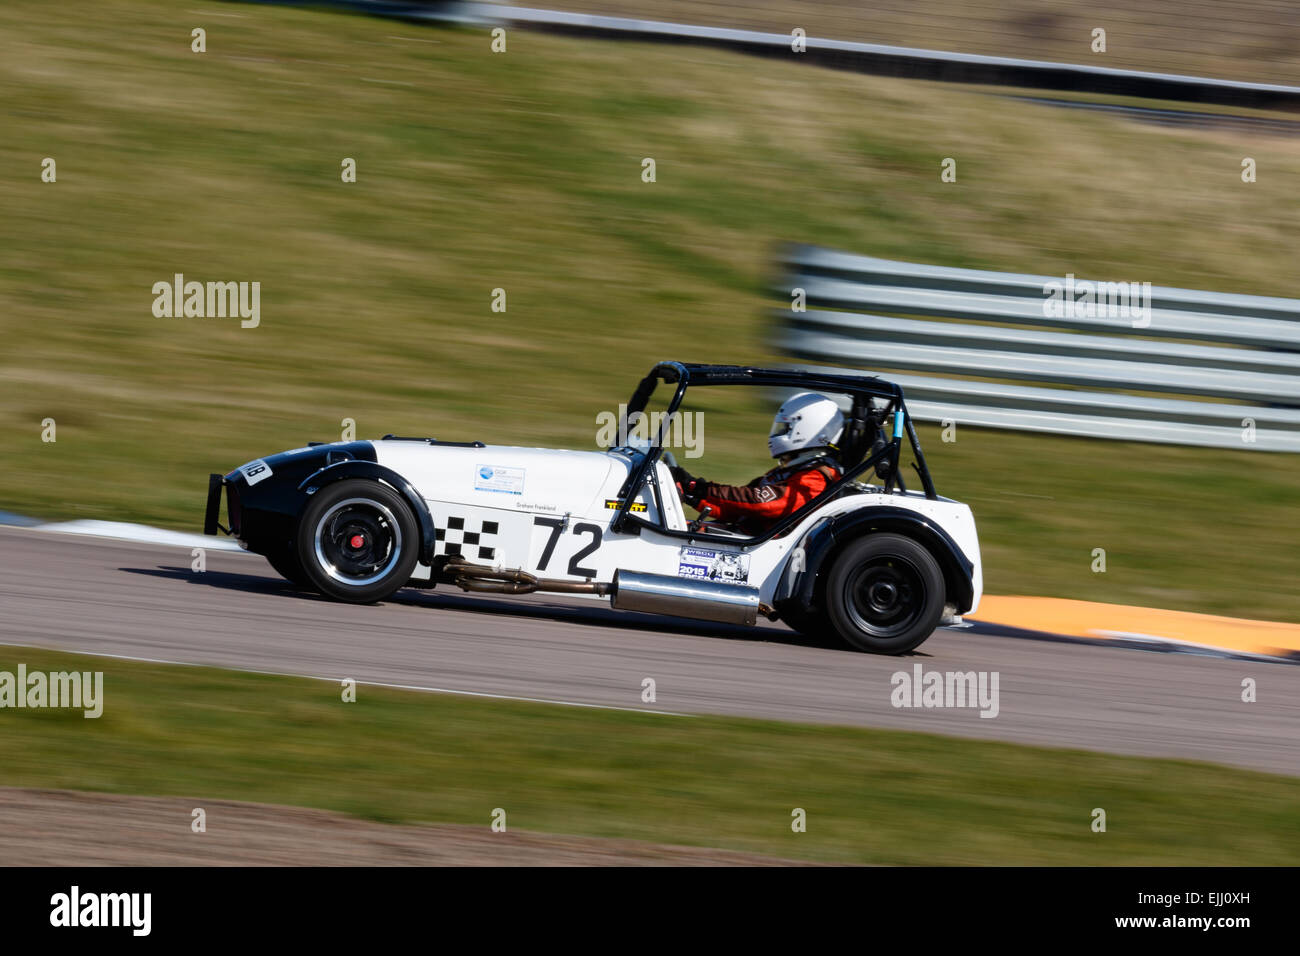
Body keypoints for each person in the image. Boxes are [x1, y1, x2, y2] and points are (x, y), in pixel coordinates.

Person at [670, 392, 844, 534]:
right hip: (745, 534)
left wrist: (698, 487)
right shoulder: (791, 469)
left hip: (766, 548)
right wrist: (694, 495)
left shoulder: (816, 479)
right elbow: (738, 506)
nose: (779, 433)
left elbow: (760, 503)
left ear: (808, 430)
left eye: (785, 428)